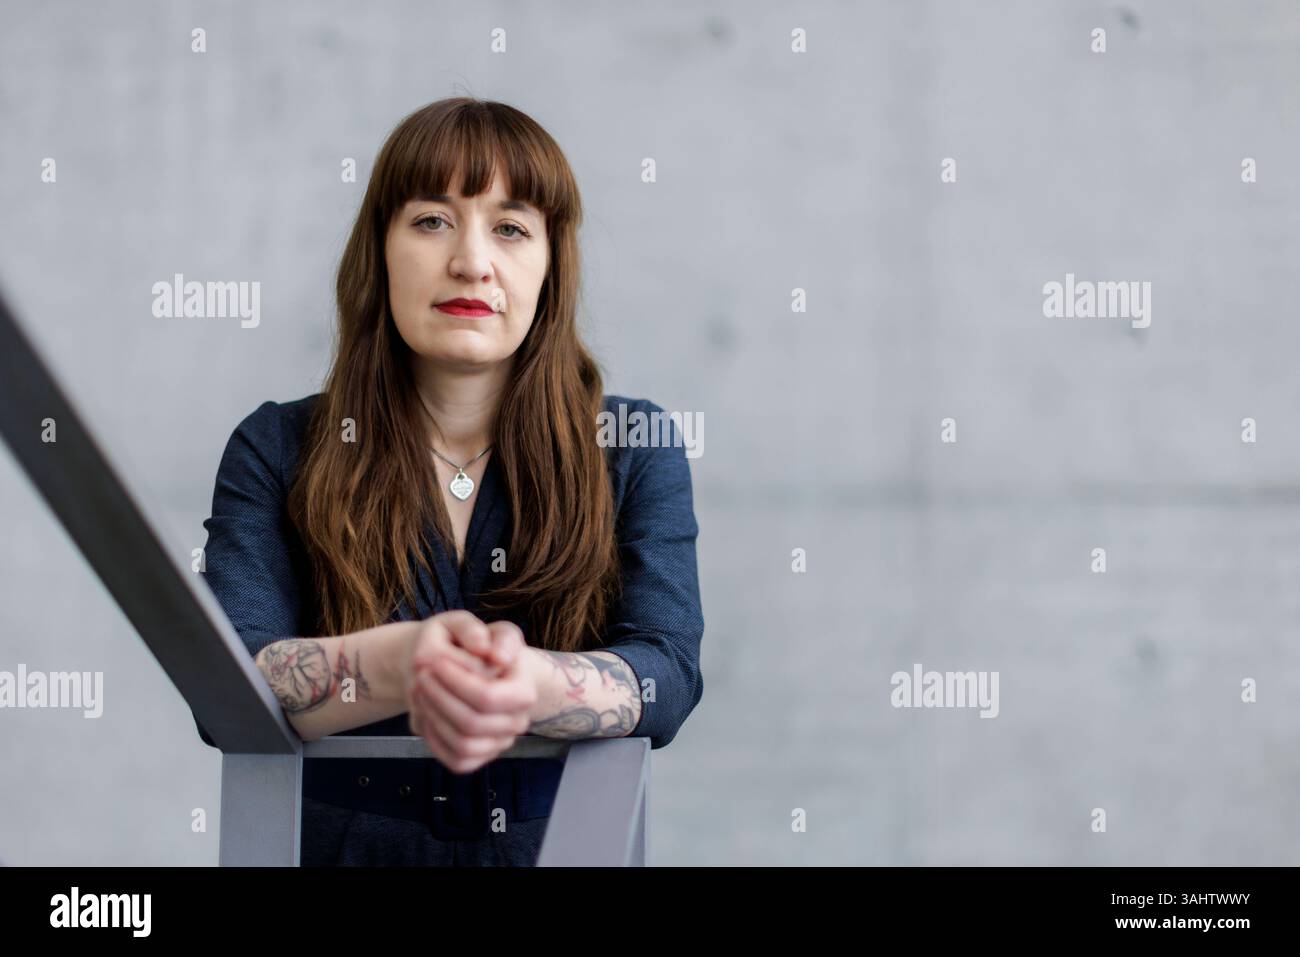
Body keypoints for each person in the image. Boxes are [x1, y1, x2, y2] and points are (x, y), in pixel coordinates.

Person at [195, 98, 705, 866]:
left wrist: (529, 682)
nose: (472, 260)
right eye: (432, 220)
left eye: (510, 227)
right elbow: (228, 684)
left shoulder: (633, 446)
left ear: (550, 264)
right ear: (381, 251)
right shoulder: (275, 447)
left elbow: (668, 672)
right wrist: (402, 662)